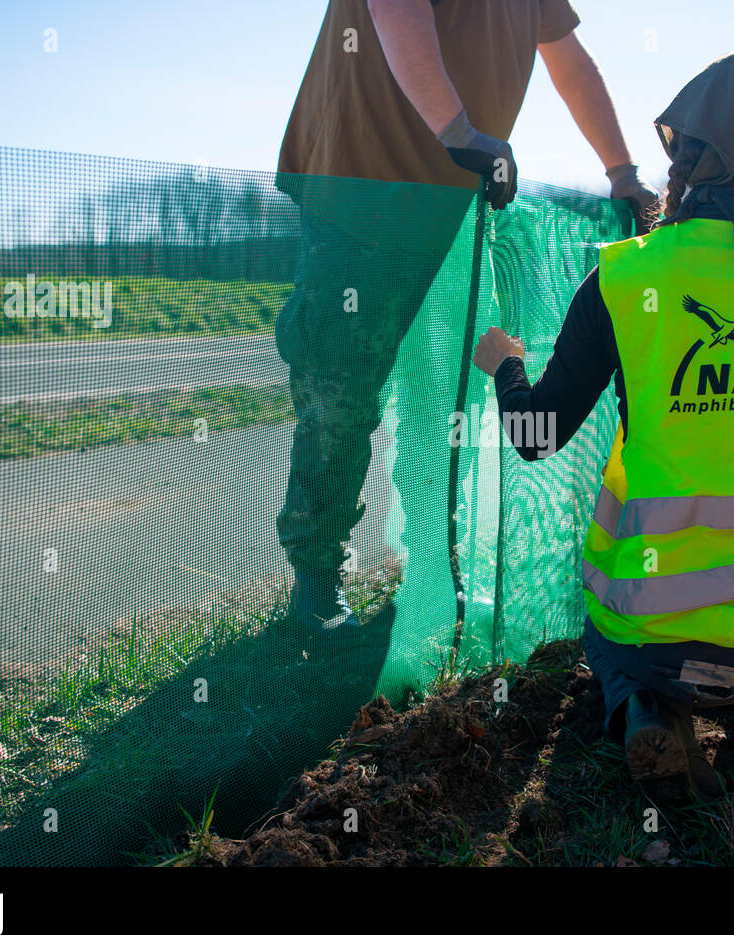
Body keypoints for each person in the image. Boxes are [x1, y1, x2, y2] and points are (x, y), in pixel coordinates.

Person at [472, 51, 734, 802]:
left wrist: (505, 364)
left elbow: (537, 437)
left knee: (609, 636)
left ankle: (650, 705)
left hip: (667, 631)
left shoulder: (627, 276)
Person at [273, 0, 658, 636]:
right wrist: (458, 130)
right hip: (359, 188)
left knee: (434, 395)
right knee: (340, 382)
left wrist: (622, 173)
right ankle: (314, 580)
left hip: (446, 209)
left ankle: (430, 570)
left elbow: (569, 62)